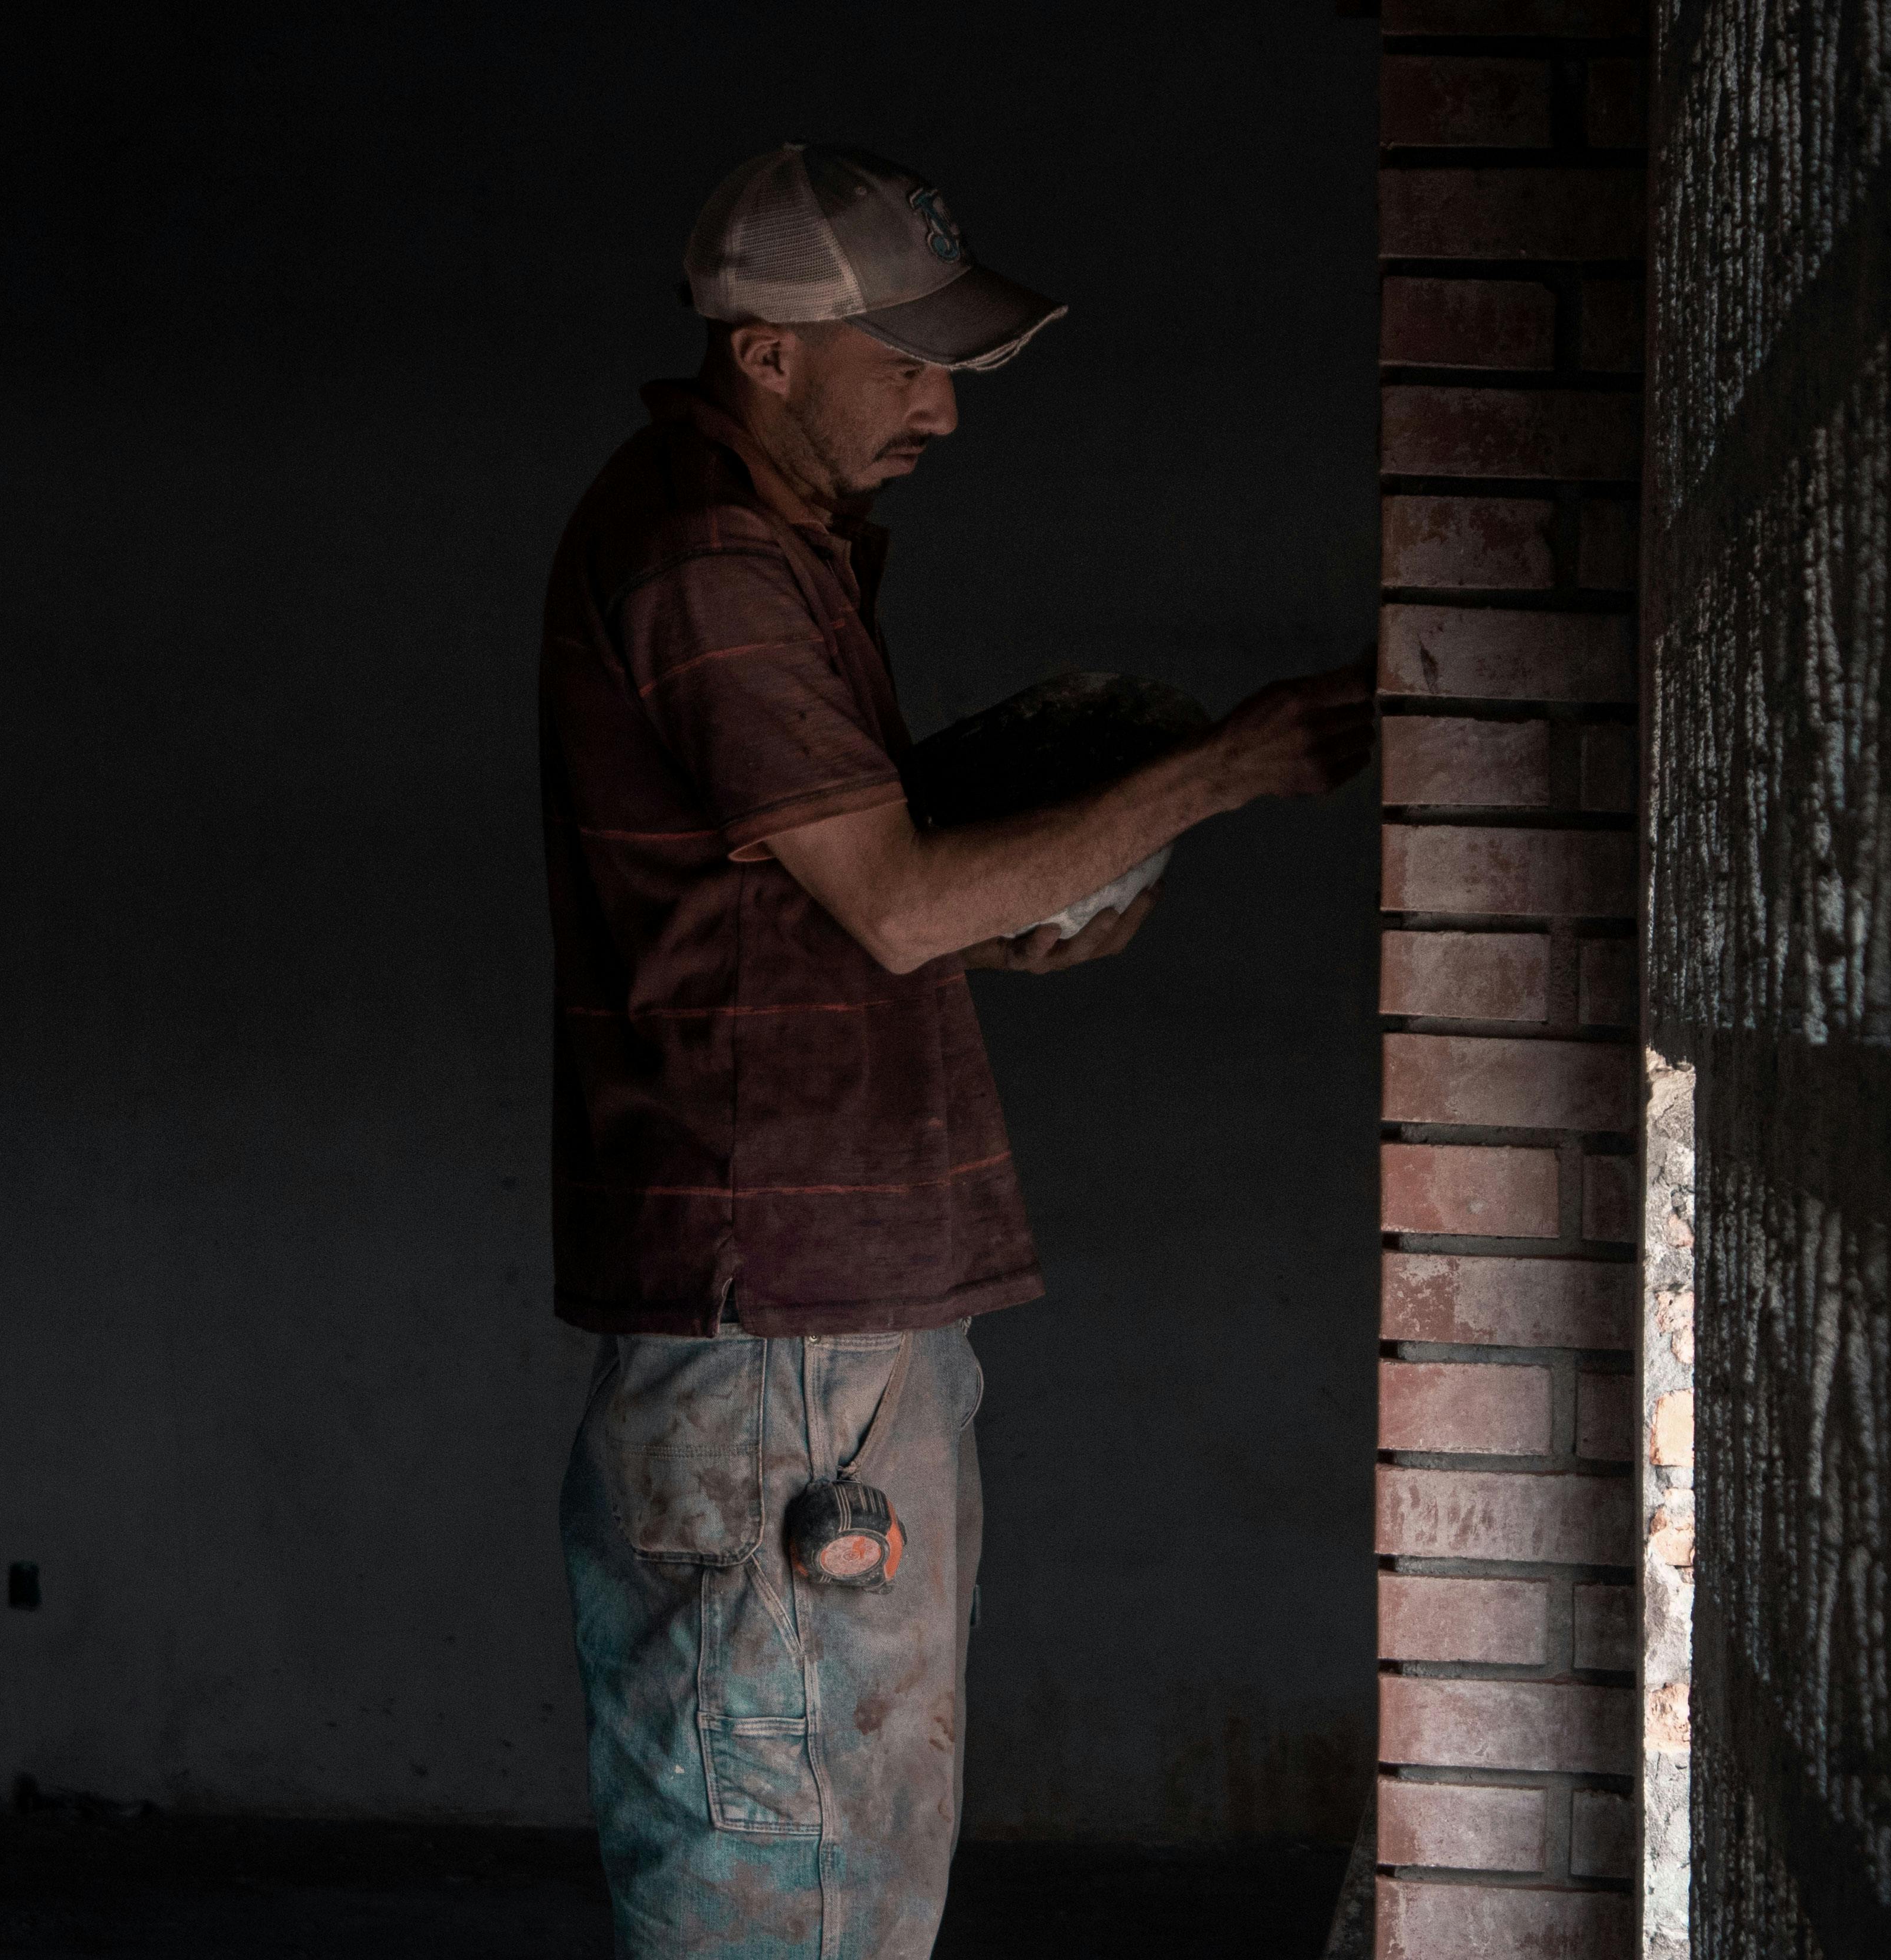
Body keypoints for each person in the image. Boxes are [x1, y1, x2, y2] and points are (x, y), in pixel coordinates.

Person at [538, 143, 1373, 1958]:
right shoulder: (710, 565)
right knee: (792, 1885)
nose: (944, 407)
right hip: (790, 1352)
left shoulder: (777, 549)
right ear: (764, 352)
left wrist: (1049, 881)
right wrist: (1218, 771)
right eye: (907, 363)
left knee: (835, 1874)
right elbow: (897, 905)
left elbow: (846, 915)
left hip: (826, 1330)